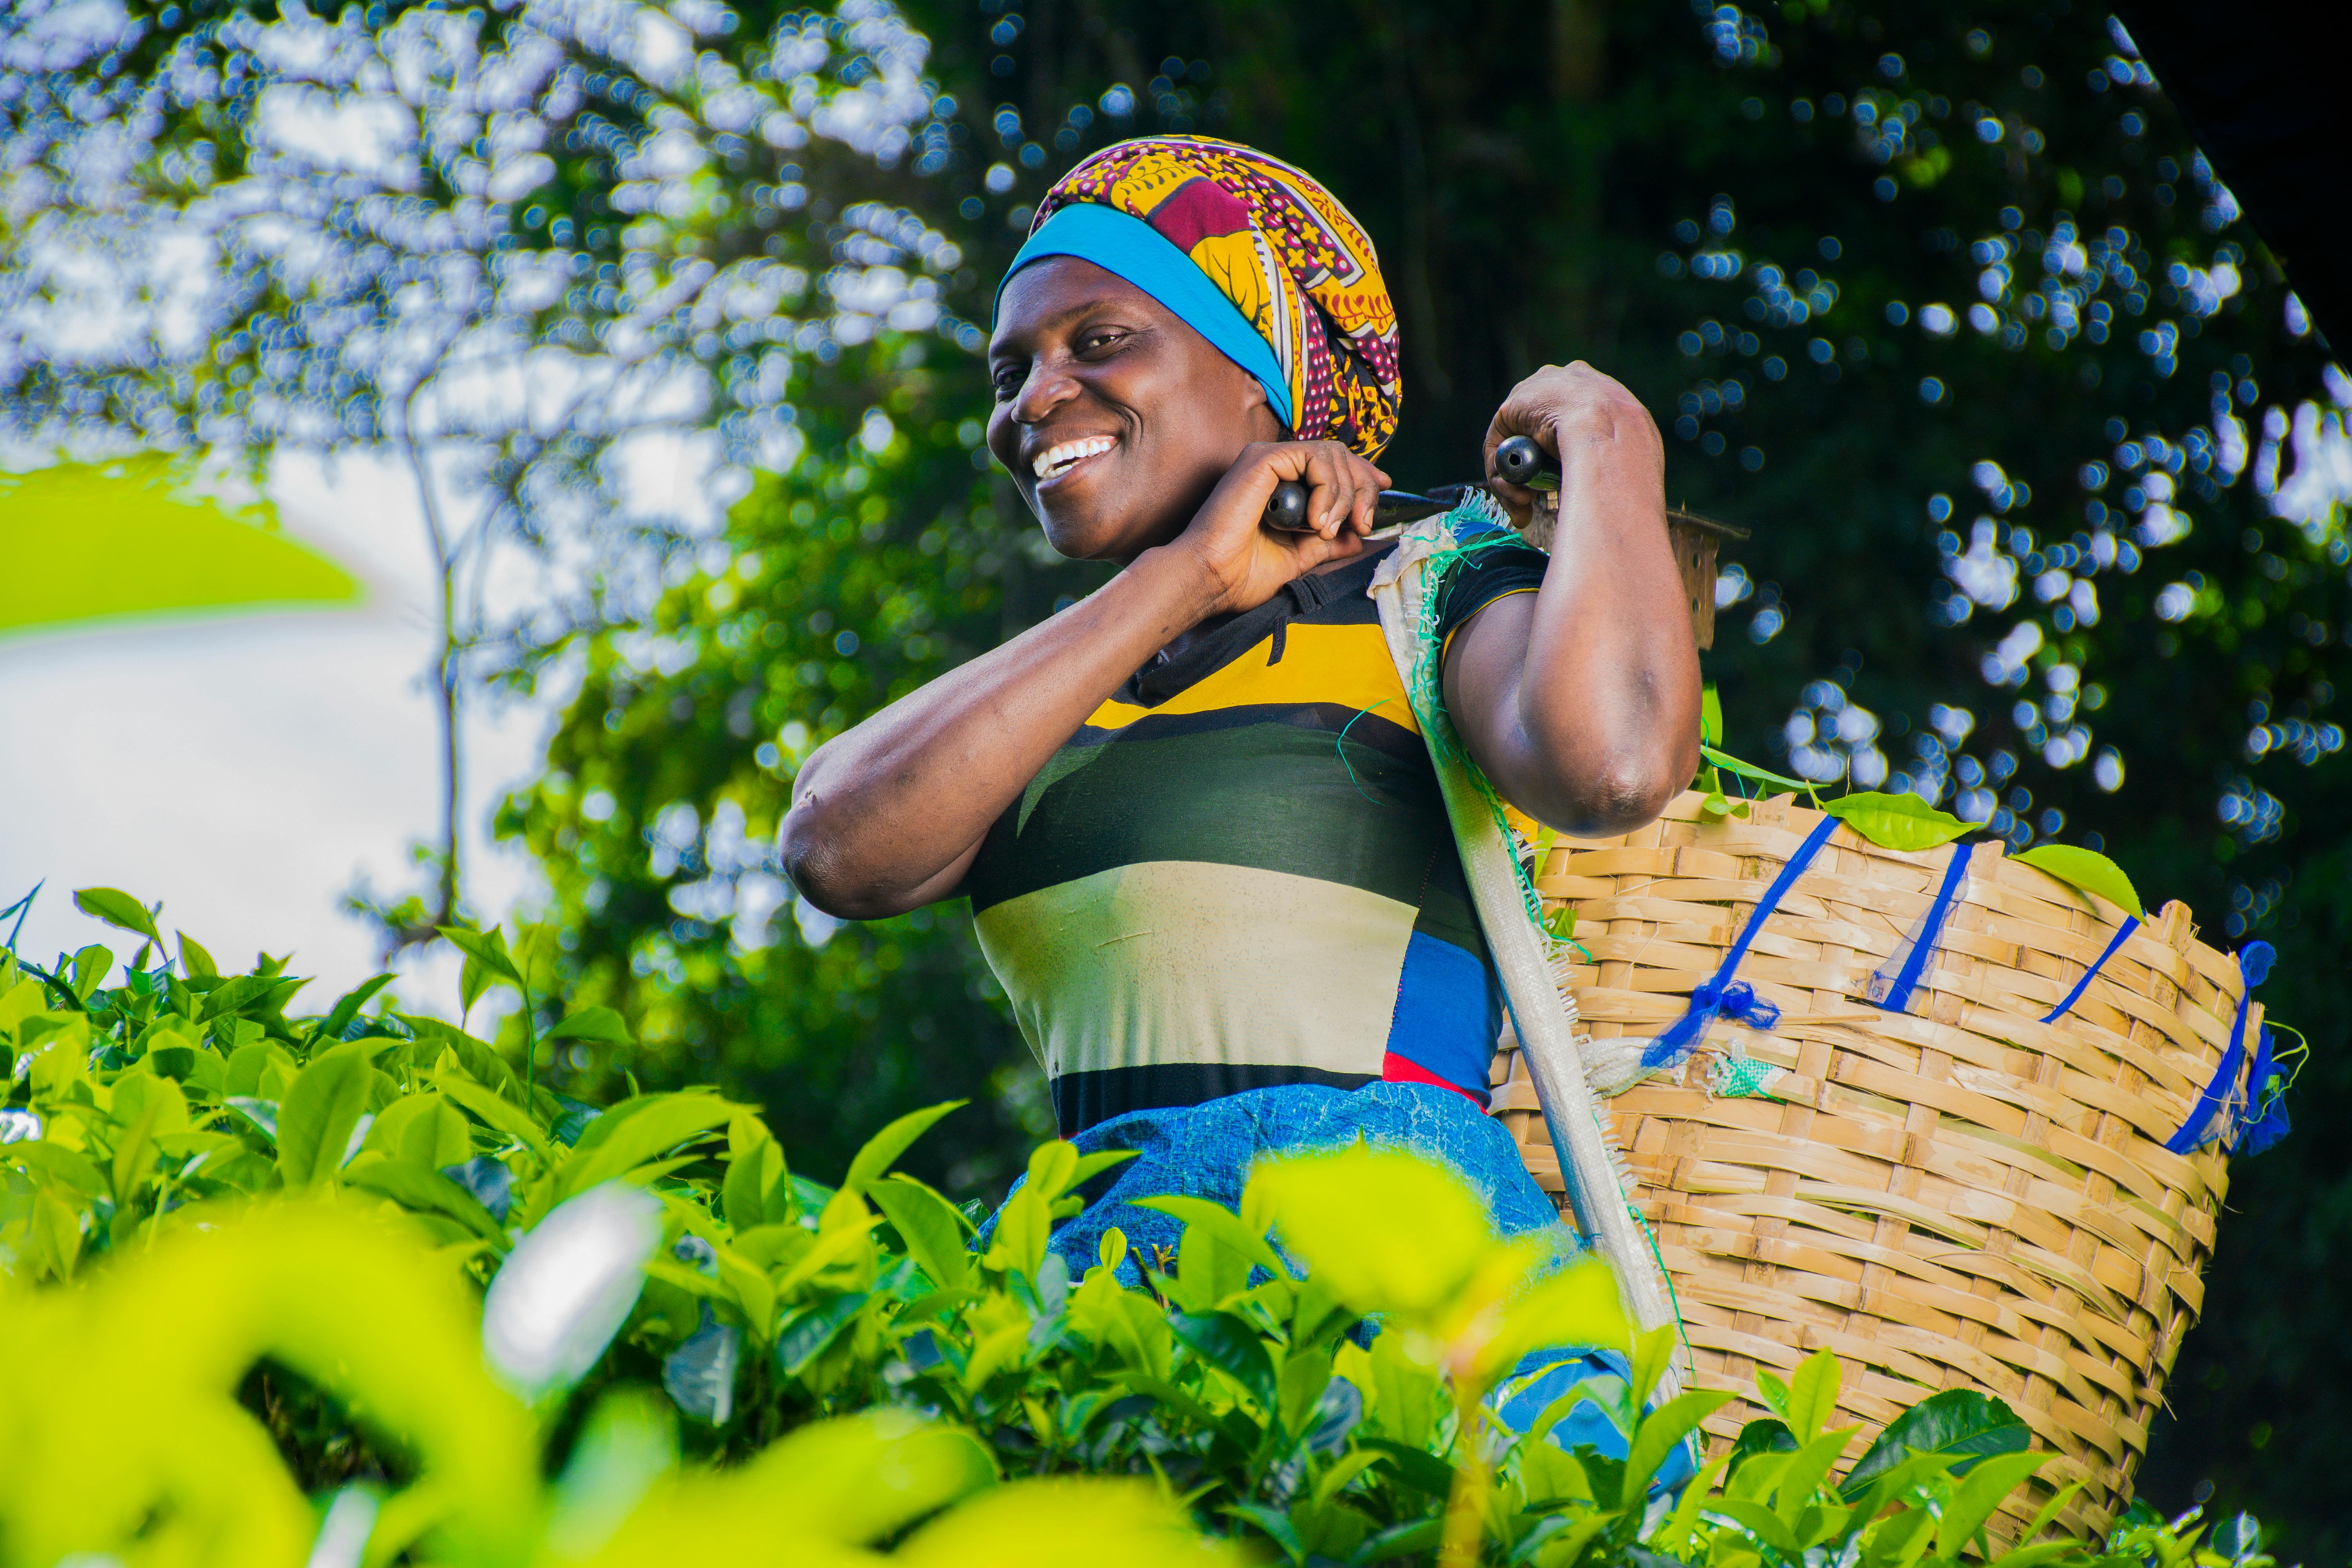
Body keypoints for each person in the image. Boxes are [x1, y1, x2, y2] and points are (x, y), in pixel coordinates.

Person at [780, 136, 1700, 1457]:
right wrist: (1187, 582)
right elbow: (835, 848)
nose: (1035, 400)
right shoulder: (1048, 696)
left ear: (1266, 374)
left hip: (1403, 1316)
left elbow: (1613, 762)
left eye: (1099, 341)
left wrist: (1608, 436)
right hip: (1106, 1337)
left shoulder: (1420, 593)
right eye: (1010, 372)